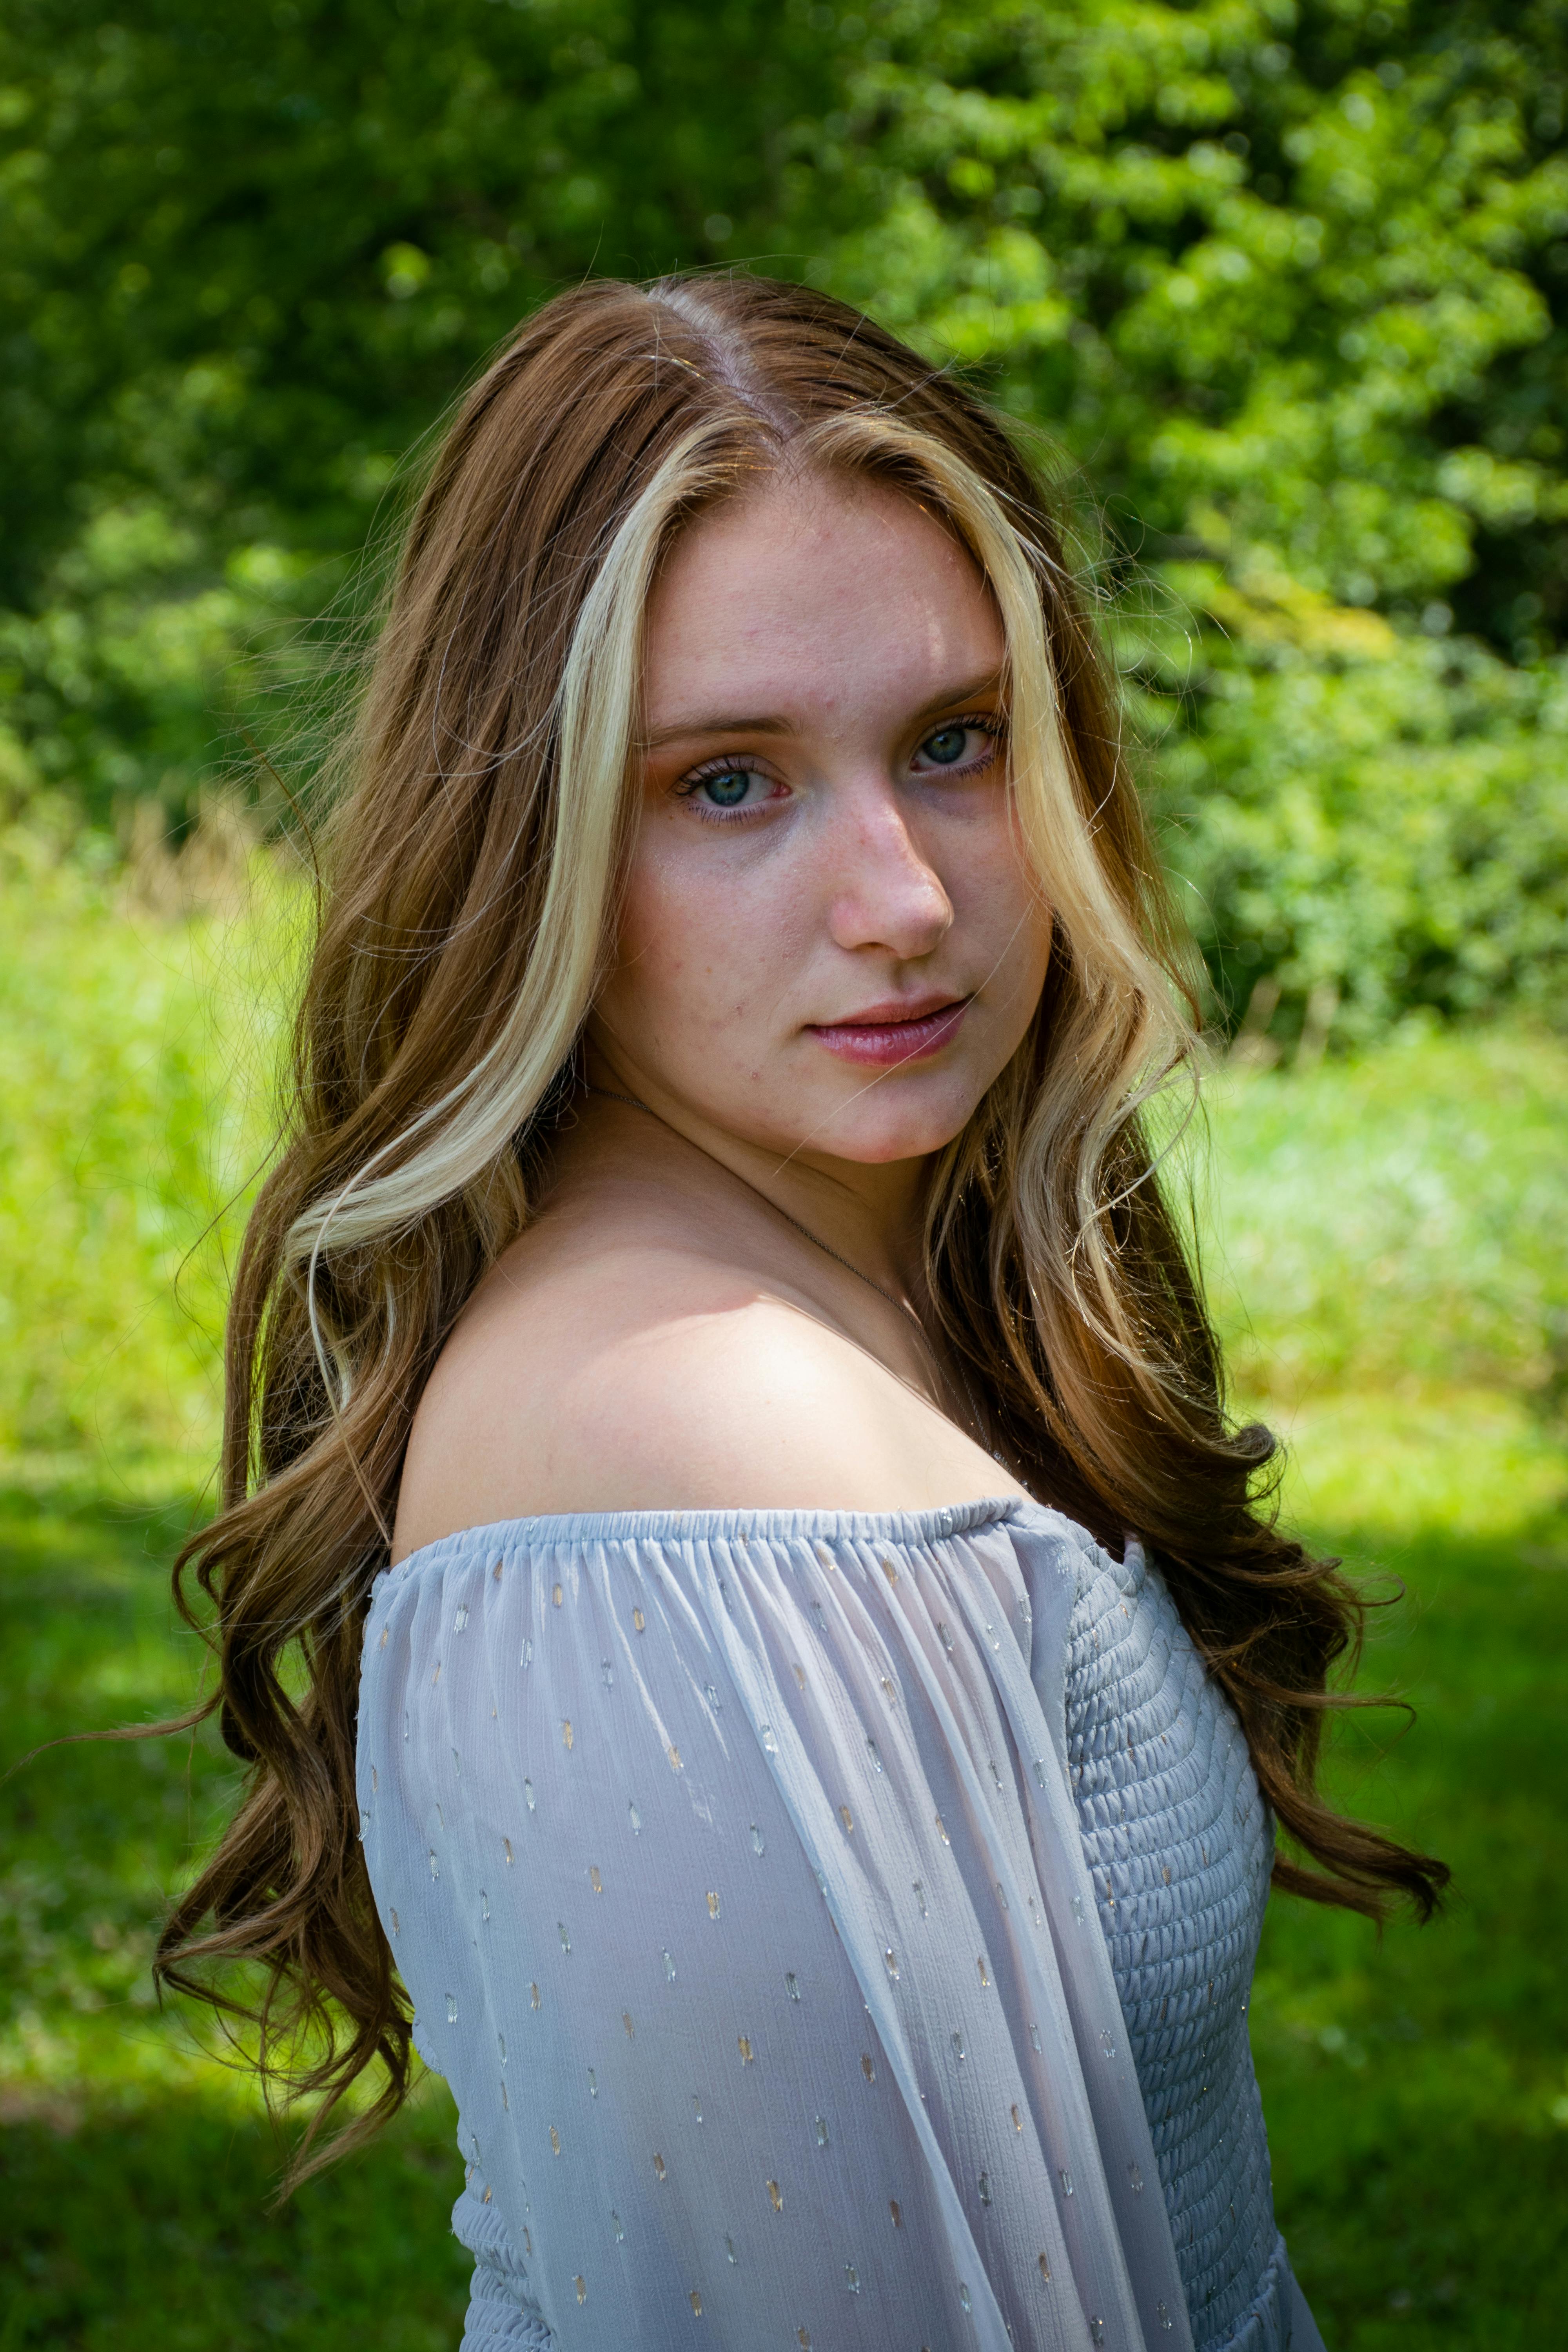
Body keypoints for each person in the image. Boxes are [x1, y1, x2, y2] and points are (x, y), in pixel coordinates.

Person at [159, 274, 1446, 2352]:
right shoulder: (698, 1433)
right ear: (535, 841)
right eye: (729, 784)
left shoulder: (855, 1302)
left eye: (955, 743)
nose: (908, 897)